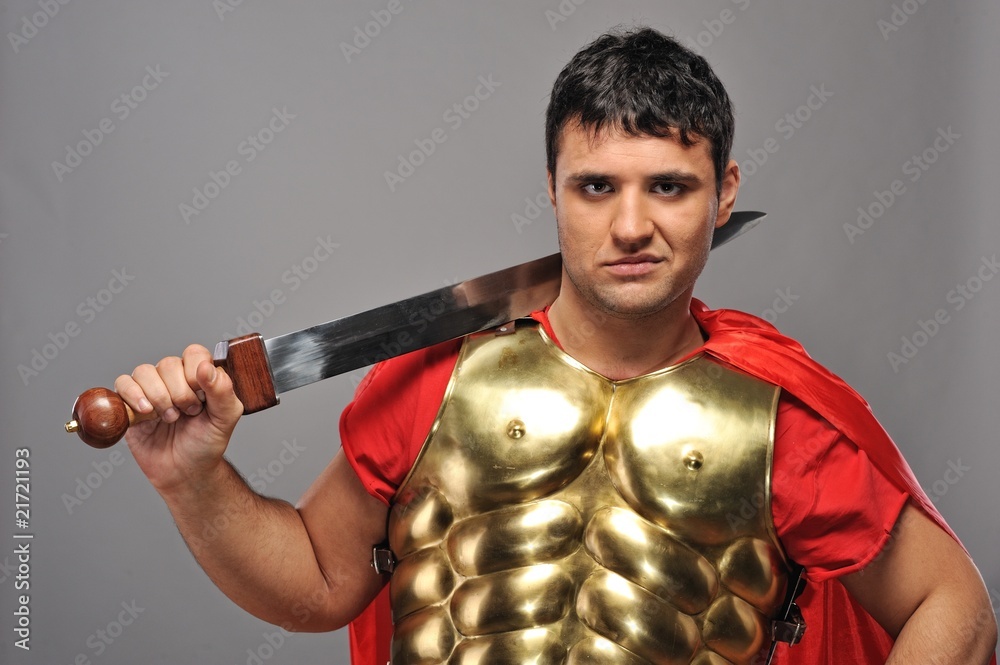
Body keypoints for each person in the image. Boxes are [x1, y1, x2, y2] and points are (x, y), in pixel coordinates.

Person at [115, 27, 997, 665]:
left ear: (724, 195)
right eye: (596, 185)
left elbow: (954, 604)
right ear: (552, 190)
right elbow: (314, 584)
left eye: (670, 186)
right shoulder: (438, 379)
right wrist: (193, 480)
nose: (631, 225)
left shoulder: (780, 421)